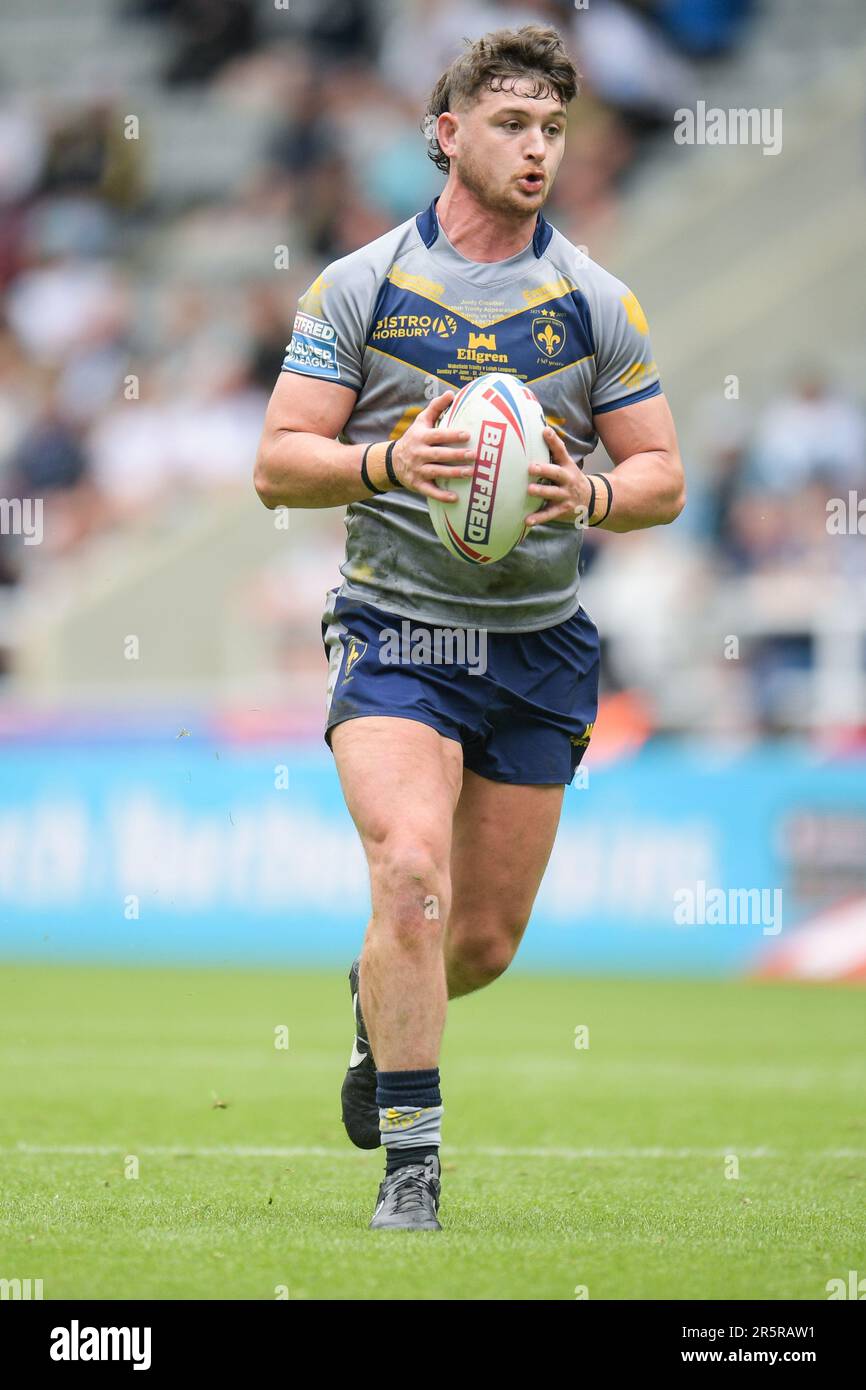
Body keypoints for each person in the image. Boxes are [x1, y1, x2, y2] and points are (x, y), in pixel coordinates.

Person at [254, 24, 685, 1231]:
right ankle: (412, 1165)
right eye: (510, 123)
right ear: (446, 135)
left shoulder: (595, 300)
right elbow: (279, 464)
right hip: (396, 628)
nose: (536, 146)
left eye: (552, 127)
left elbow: (662, 478)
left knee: (478, 943)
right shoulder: (361, 285)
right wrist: (394, 458)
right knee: (408, 873)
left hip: (538, 643)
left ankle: (373, 998)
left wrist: (588, 492)